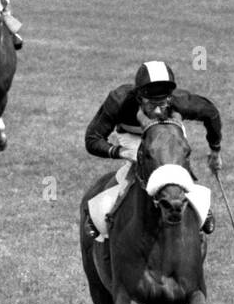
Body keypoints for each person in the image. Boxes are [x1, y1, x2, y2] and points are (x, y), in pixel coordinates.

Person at [83, 61, 221, 242]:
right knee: (139, 170)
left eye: (162, 103)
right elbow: (92, 139)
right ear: (139, 97)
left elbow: (211, 114)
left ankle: (198, 203)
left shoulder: (180, 101)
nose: (157, 110)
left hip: (168, 132)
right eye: (151, 104)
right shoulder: (119, 100)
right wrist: (122, 152)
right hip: (133, 136)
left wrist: (215, 151)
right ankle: (102, 212)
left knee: (174, 160)